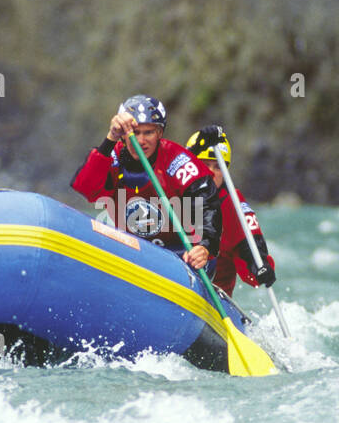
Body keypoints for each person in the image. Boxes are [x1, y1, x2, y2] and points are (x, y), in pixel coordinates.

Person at [71, 95, 221, 270]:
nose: (140, 141)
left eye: (148, 132)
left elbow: (208, 205)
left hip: (180, 253)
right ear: (123, 136)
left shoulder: (178, 161)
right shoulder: (112, 156)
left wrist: (204, 246)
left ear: (159, 133)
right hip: (132, 249)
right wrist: (110, 138)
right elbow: (85, 188)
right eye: (134, 133)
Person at [185, 125, 276, 295]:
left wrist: (258, 267)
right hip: (172, 274)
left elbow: (251, 248)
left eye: (218, 167)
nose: (210, 173)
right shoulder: (171, 185)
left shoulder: (232, 204)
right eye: (203, 164)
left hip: (211, 295)